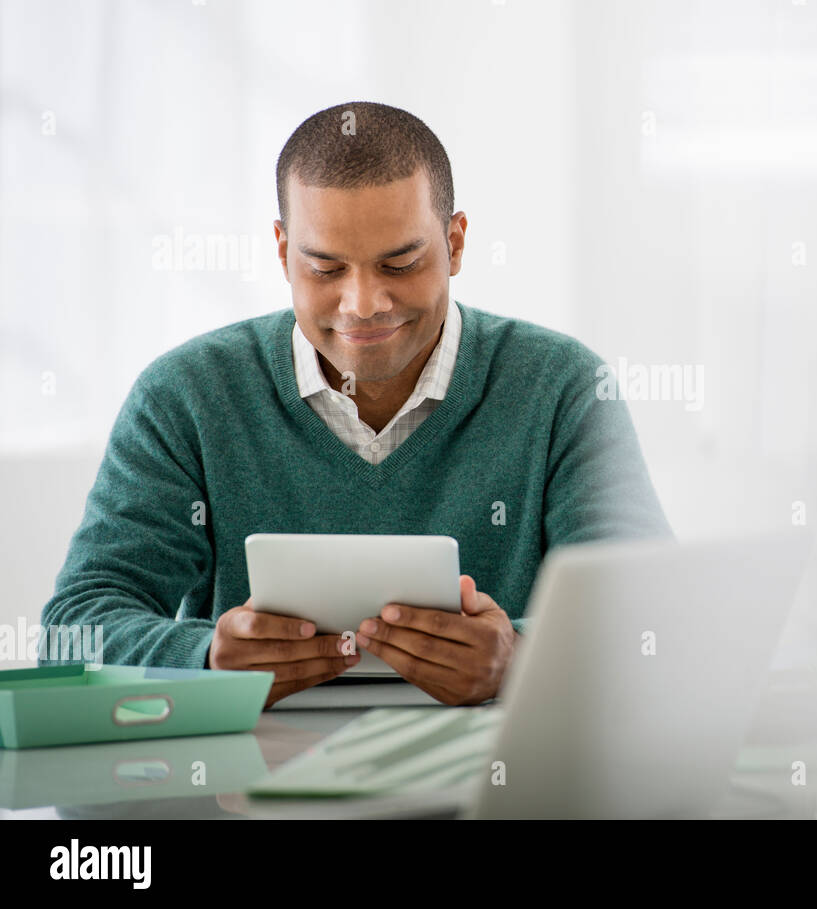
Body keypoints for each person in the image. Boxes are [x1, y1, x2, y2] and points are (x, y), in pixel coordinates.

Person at [40, 101, 672, 708]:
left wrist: (521, 659)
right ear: (284, 252)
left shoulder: (562, 387)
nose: (363, 303)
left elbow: (654, 619)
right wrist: (206, 657)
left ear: (454, 244)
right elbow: (75, 627)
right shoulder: (186, 396)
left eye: (400, 263)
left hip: (492, 786)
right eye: (325, 268)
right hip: (248, 790)